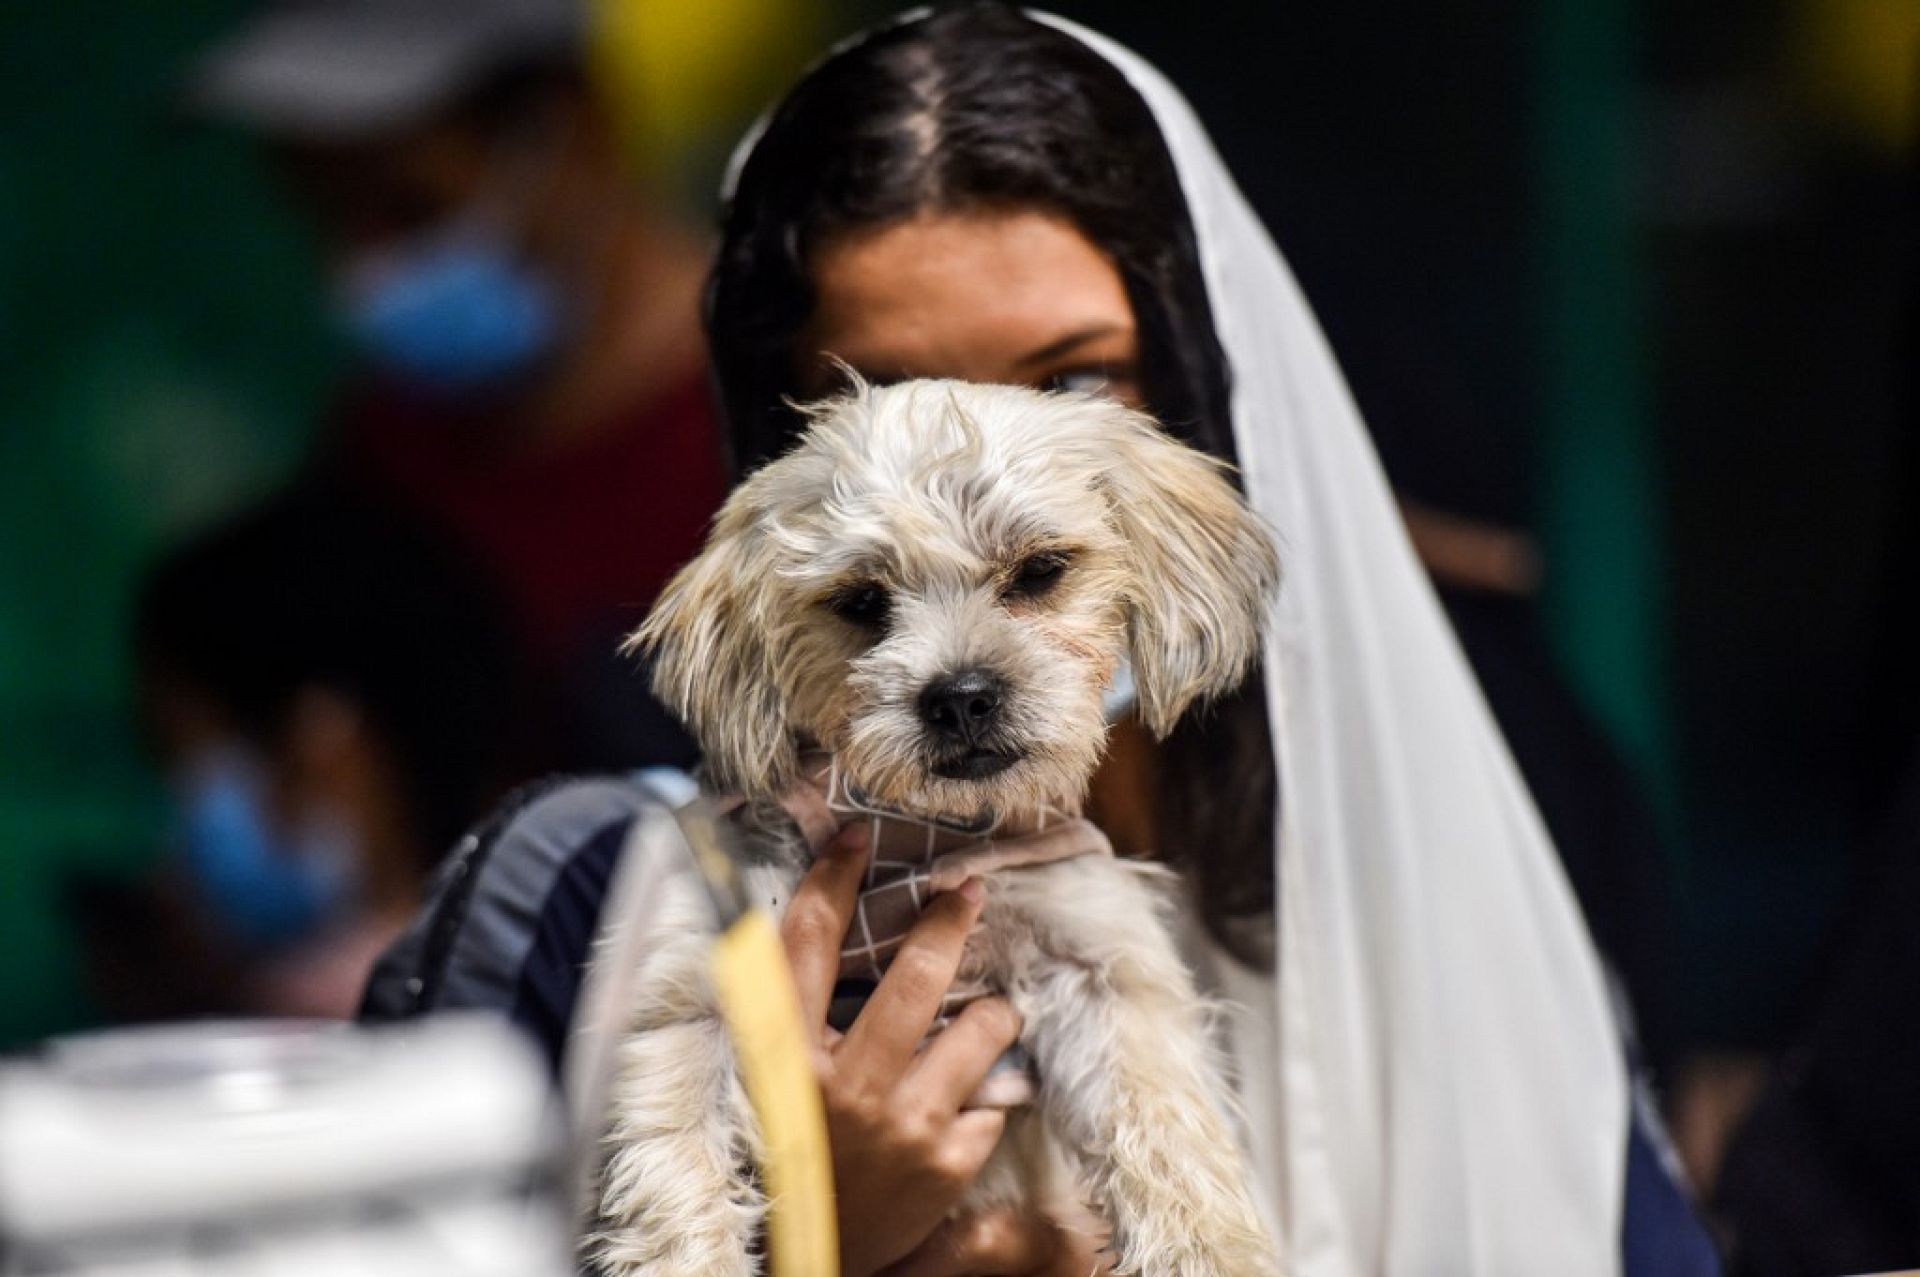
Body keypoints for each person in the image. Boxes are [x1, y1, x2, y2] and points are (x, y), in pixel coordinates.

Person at [368, 8, 1720, 1275]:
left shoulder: (1462, 817)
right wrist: (811, 1233)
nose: (984, 453)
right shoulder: (607, 899)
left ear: (1197, 373)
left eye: (1075, 381)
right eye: (881, 393)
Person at [183, 0, 725, 770]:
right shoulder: (381, 452)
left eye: (413, 209)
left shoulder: (804, 411)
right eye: (325, 218)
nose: (361, 275)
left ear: (574, 131)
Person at [107, 486, 529, 1019]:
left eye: (180, 757)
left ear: (323, 742)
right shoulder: (575, 964)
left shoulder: (305, 1018)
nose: (174, 840)